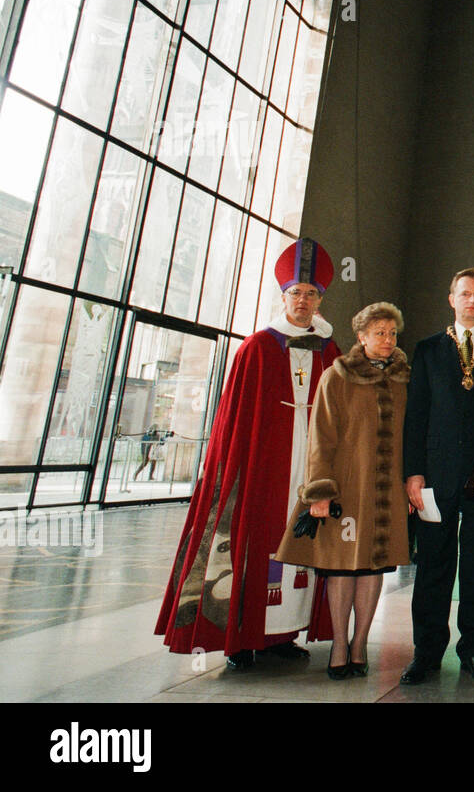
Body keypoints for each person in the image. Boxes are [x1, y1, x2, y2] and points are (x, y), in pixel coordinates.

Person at [156, 238, 340, 668]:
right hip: (262, 467)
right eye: (296, 292)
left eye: (311, 294)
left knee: (301, 551)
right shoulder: (256, 347)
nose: (303, 300)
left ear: (320, 300)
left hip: (310, 466)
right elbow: (232, 421)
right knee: (255, 543)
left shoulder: (330, 350)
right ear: (283, 296)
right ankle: (243, 637)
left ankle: (281, 635)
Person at [399, 269, 474, 686]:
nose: (471, 300)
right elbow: (416, 415)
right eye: (464, 294)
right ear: (451, 298)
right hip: (434, 475)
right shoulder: (428, 349)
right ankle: (426, 652)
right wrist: (413, 473)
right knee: (432, 563)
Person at [275, 302, 410, 678]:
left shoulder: (405, 380)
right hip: (347, 489)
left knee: (373, 566)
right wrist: (320, 491)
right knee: (341, 568)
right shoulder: (337, 377)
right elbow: (321, 436)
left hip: (386, 493)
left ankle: (360, 642)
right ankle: (338, 641)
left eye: (392, 333)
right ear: (362, 337)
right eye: (379, 333)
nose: (387, 340)